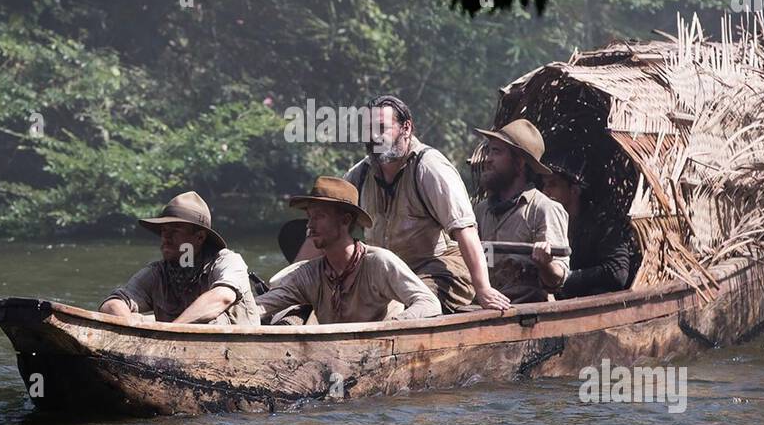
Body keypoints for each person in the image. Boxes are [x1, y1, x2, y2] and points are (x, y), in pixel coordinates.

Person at [308, 94, 507, 313]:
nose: (374, 136)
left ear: (406, 128)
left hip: (438, 270)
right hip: (386, 274)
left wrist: (483, 288)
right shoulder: (362, 173)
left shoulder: (429, 167)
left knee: (406, 309)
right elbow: (325, 222)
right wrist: (301, 281)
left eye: (382, 128)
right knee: (333, 304)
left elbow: (466, 230)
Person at [258, 177, 441, 325]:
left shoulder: (378, 263)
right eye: (309, 217)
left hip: (382, 352)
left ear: (345, 220)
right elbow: (263, 305)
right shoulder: (309, 274)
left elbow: (429, 303)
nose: (310, 225)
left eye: (320, 217)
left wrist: (393, 325)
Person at [99, 191, 261, 325]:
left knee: (213, 320)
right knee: (128, 317)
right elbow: (113, 303)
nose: (166, 238)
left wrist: (171, 331)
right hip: (172, 345)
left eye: (175, 231)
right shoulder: (158, 273)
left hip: (236, 349)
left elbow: (222, 297)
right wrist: (130, 329)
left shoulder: (227, 261)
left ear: (199, 238)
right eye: (164, 231)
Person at [472, 119, 571, 303]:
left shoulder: (544, 209)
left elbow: (557, 279)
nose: (488, 159)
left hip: (527, 316)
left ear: (519, 163)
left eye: (496, 152)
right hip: (487, 308)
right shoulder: (482, 211)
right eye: (488, 151)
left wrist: (546, 264)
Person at [540, 152, 634, 298]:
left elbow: (617, 272)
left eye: (553, 184)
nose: (545, 191)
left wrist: (565, 278)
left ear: (574, 190)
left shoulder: (602, 225)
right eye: (544, 185)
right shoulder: (545, 224)